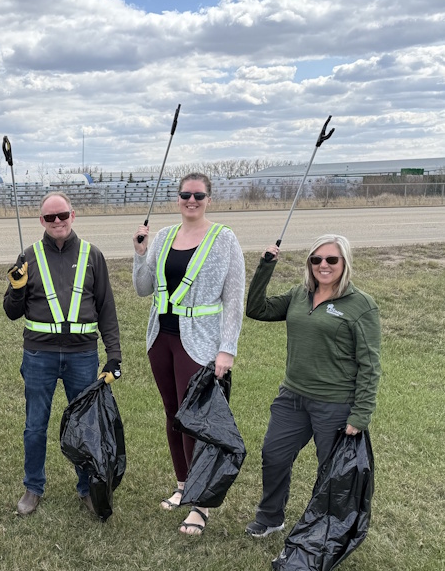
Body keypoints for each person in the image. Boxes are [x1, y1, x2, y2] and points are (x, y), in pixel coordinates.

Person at [243, 234, 381, 538]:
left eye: (332, 259)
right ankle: (270, 517)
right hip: (292, 397)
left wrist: (360, 415)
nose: (324, 265)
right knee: (274, 455)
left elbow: (370, 366)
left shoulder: (361, 306)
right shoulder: (299, 294)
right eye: (316, 259)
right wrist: (266, 266)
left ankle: (327, 529)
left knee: (331, 472)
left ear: (344, 263)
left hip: (334, 404)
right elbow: (257, 309)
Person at [133, 172, 245, 535]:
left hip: (199, 342)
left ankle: (200, 503)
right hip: (161, 338)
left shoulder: (224, 239)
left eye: (198, 195)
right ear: (178, 198)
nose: (191, 200)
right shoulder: (164, 237)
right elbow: (143, 288)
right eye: (185, 195)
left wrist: (226, 350)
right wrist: (139, 255)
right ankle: (182, 485)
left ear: (208, 199)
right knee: (173, 413)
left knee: (196, 419)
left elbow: (234, 300)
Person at [3, 192, 122, 516]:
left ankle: (86, 488)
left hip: (82, 356)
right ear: (41, 221)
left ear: (73, 215)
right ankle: (33, 487)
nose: (57, 222)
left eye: (63, 215)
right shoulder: (28, 256)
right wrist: (16, 289)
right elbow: (11, 312)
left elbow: (106, 309)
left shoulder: (91, 255)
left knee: (85, 426)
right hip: (39, 355)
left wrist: (114, 357)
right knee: (34, 426)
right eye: (50, 217)